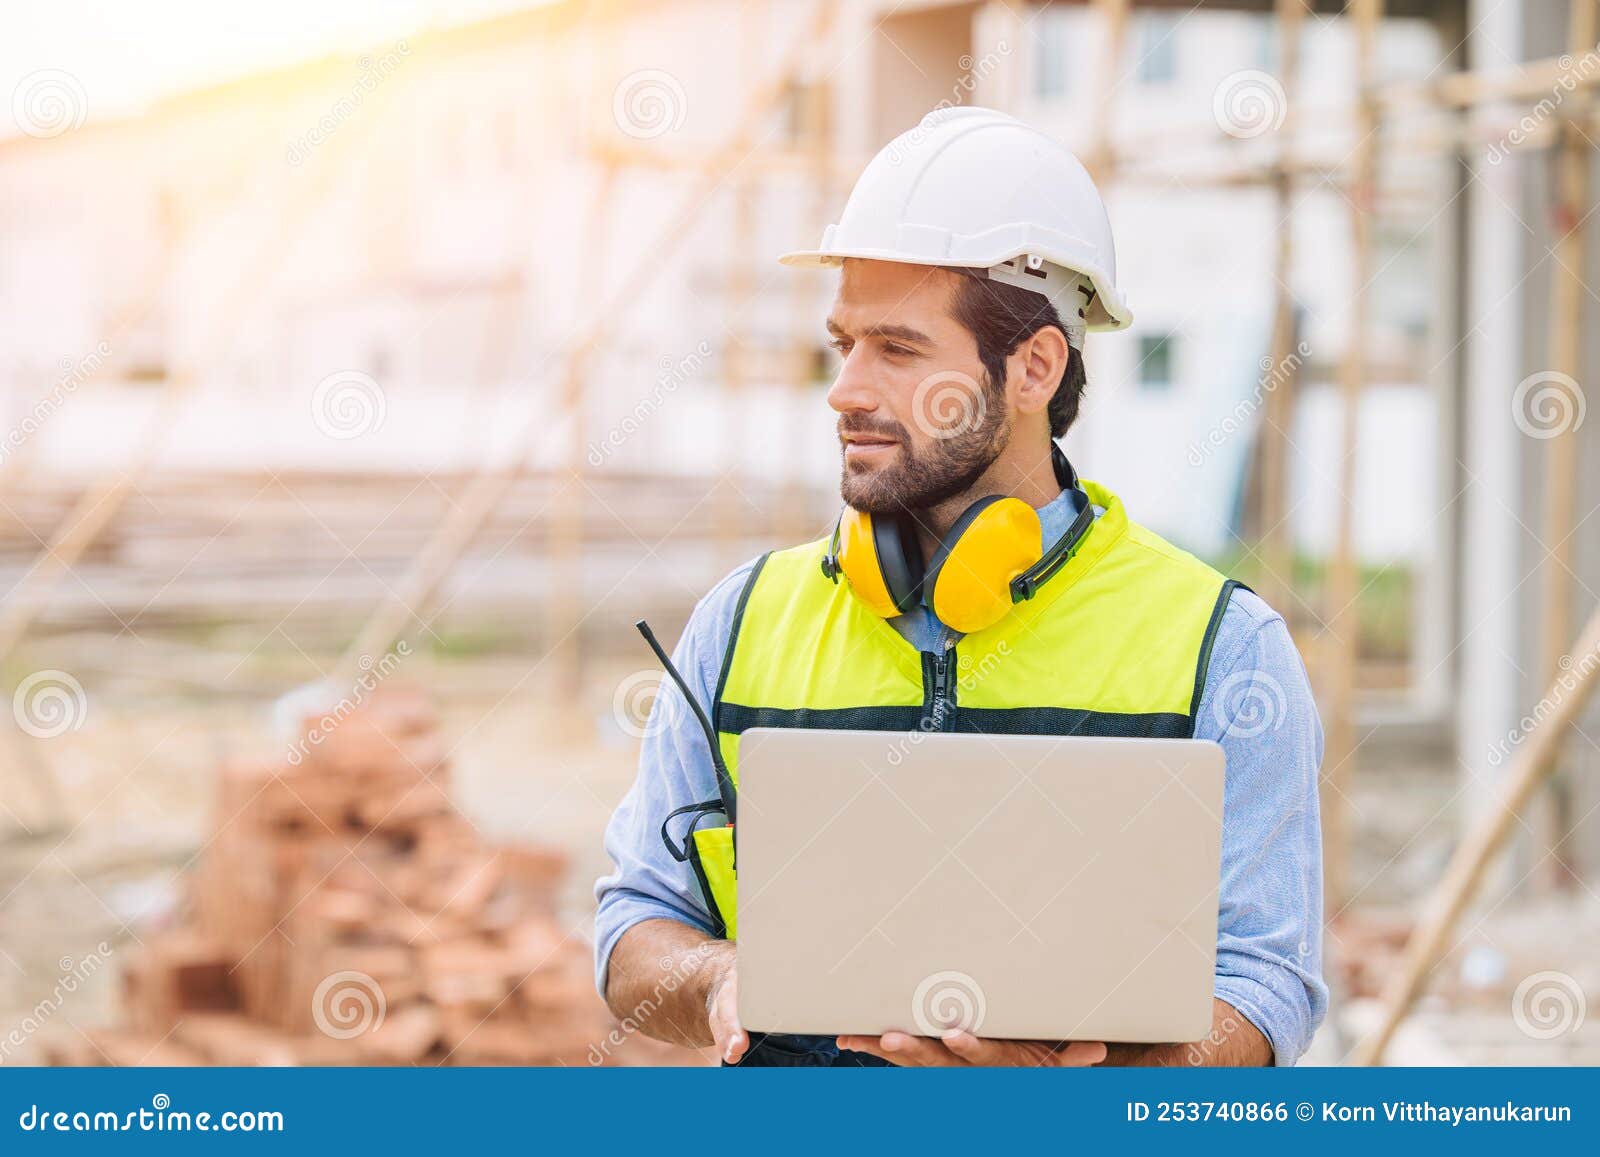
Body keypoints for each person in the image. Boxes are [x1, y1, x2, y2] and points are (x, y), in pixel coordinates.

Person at [594, 107, 1326, 1067]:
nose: (846, 389)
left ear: (1033, 366)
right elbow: (634, 930)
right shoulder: (742, 622)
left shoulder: (1219, 645)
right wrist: (719, 975)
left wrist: (1076, 1101)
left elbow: (1264, 988)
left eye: (897, 350)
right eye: (843, 342)